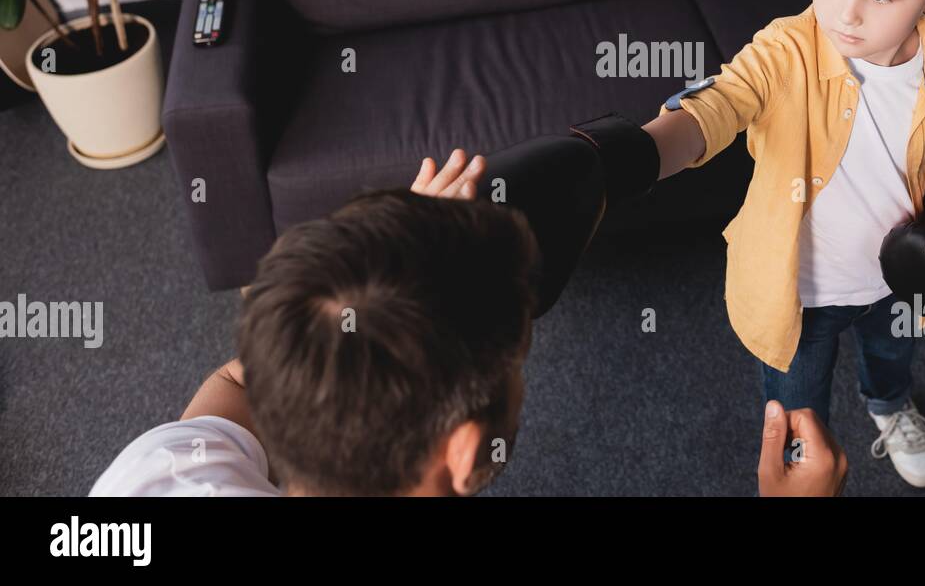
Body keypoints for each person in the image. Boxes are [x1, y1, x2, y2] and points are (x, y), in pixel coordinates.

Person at [90, 148, 848, 496]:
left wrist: (397, 257)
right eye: (519, 352)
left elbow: (241, 379)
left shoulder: (161, 481)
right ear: (462, 451)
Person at [641, 0, 925, 489]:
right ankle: (801, 465)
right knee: (798, 411)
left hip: (899, 276)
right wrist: (634, 155)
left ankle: (890, 407)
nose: (846, 13)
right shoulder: (787, 50)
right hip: (802, 294)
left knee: (892, 358)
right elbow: (718, 104)